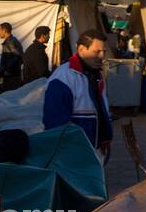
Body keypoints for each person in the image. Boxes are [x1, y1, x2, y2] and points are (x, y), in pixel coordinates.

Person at [42, 29, 113, 158]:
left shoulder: (96, 74)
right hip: (75, 154)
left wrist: (105, 139)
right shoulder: (63, 78)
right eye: (97, 51)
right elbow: (55, 125)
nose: (102, 56)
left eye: (104, 51)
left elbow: (101, 110)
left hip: (95, 150)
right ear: (81, 49)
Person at [0, 22, 24, 90]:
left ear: (4, 31)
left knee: (7, 97)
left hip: (11, 78)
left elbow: (17, 56)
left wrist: (5, 70)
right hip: (13, 76)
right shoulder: (12, 40)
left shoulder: (10, 42)